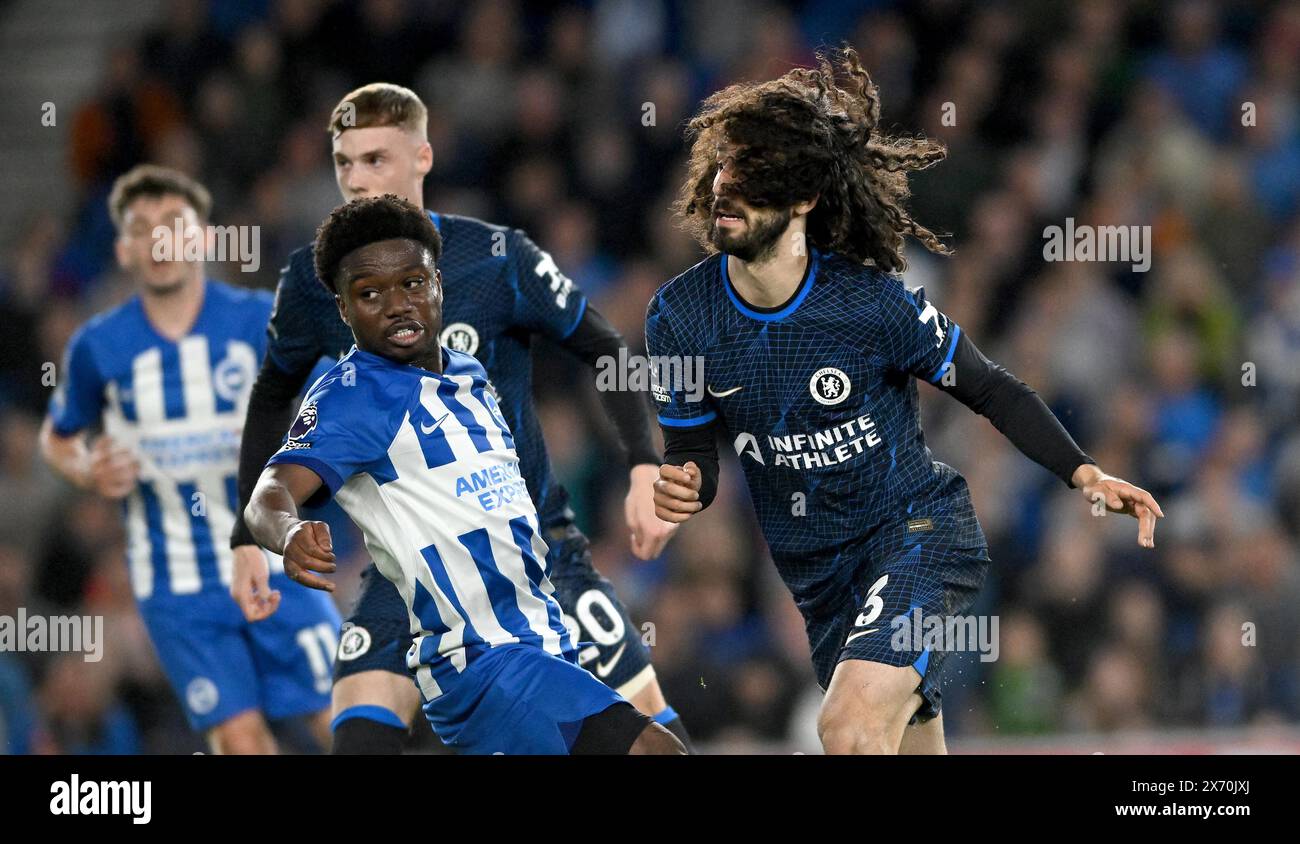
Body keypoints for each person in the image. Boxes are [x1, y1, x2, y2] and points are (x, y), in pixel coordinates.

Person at [646, 48, 1164, 755]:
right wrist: (685, 485)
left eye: (754, 174)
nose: (725, 187)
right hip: (822, 583)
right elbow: (691, 452)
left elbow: (989, 387)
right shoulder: (679, 317)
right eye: (724, 168)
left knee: (847, 731)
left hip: (918, 537)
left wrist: (1084, 472)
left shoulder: (869, 304)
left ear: (802, 200)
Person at [229, 83, 691, 753]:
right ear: (344, 304)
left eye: (376, 159)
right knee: (362, 736)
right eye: (344, 162)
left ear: (423, 157)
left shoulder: (494, 266)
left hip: (540, 560)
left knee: (658, 733)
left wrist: (644, 463)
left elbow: (602, 349)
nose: (357, 179)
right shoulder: (319, 298)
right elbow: (274, 403)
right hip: (424, 585)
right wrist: (265, 533)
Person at [39, 165, 341, 754]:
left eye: (174, 225)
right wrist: (86, 467)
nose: (159, 242)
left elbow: (336, 397)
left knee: (336, 720)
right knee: (238, 739)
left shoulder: (260, 321)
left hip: (277, 559)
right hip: (175, 584)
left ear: (203, 239)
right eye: (142, 229)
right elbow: (57, 437)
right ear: (124, 249)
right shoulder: (99, 347)